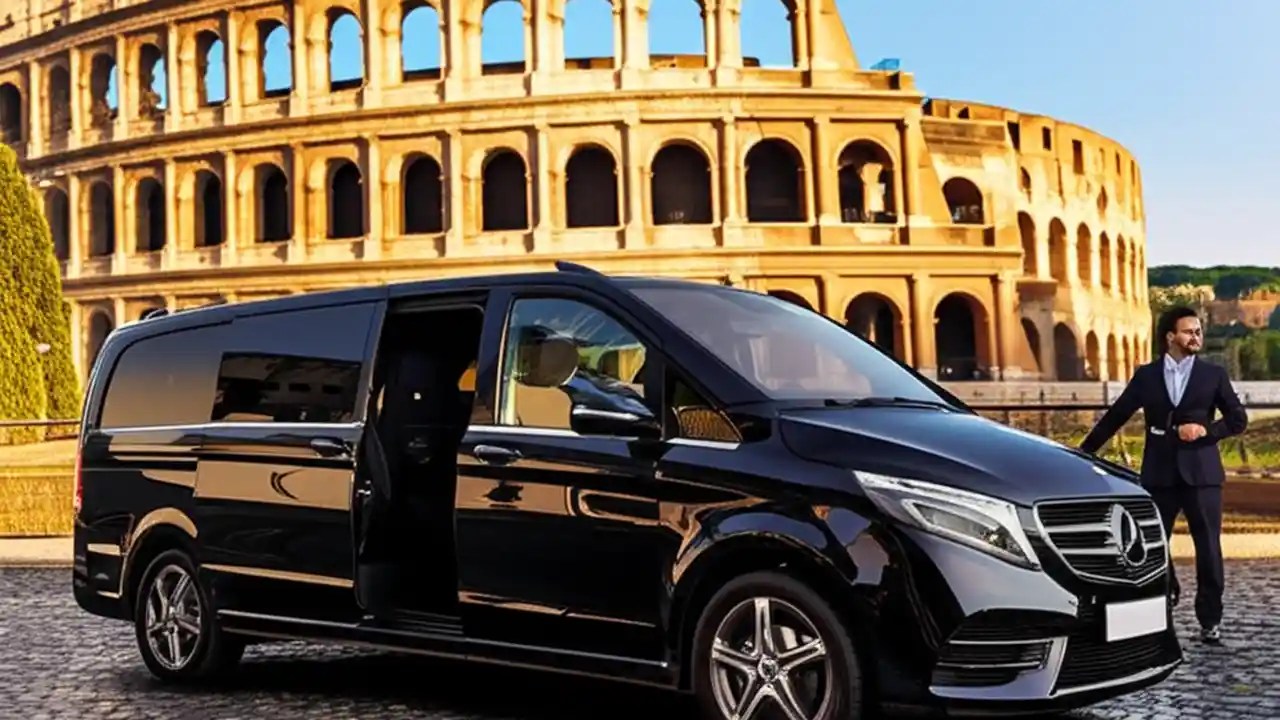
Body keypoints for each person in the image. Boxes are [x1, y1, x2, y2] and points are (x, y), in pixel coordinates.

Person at [1079, 306, 1247, 644]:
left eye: (1198, 331)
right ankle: (1163, 600)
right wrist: (1082, 454)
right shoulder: (1146, 376)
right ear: (1170, 336)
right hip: (1158, 472)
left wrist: (1206, 431)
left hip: (1202, 473)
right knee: (1152, 548)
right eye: (1189, 331)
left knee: (1209, 550)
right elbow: (1116, 416)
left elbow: (1238, 418)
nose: (1196, 337)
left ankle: (1210, 619)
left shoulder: (1213, 374)